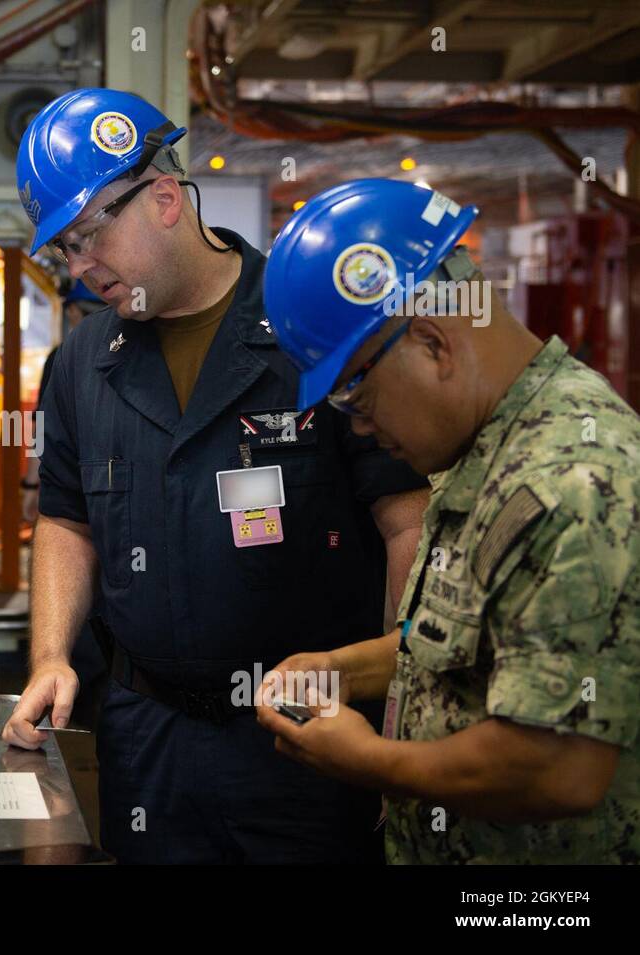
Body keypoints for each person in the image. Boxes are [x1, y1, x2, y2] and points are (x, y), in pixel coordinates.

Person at [3, 89, 431, 863]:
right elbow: (65, 520)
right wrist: (49, 659)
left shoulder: (312, 326)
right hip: (148, 742)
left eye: (86, 238)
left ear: (164, 199)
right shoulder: (80, 366)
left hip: (303, 739)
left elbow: (406, 521)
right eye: (62, 250)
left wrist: (400, 706)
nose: (78, 267)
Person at [255, 177, 640, 864]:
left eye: (356, 397)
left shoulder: (573, 480)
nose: (363, 430)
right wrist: (340, 669)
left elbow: (560, 765)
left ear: (432, 341)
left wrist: (368, 758)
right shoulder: (487, 448)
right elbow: (470, 643)